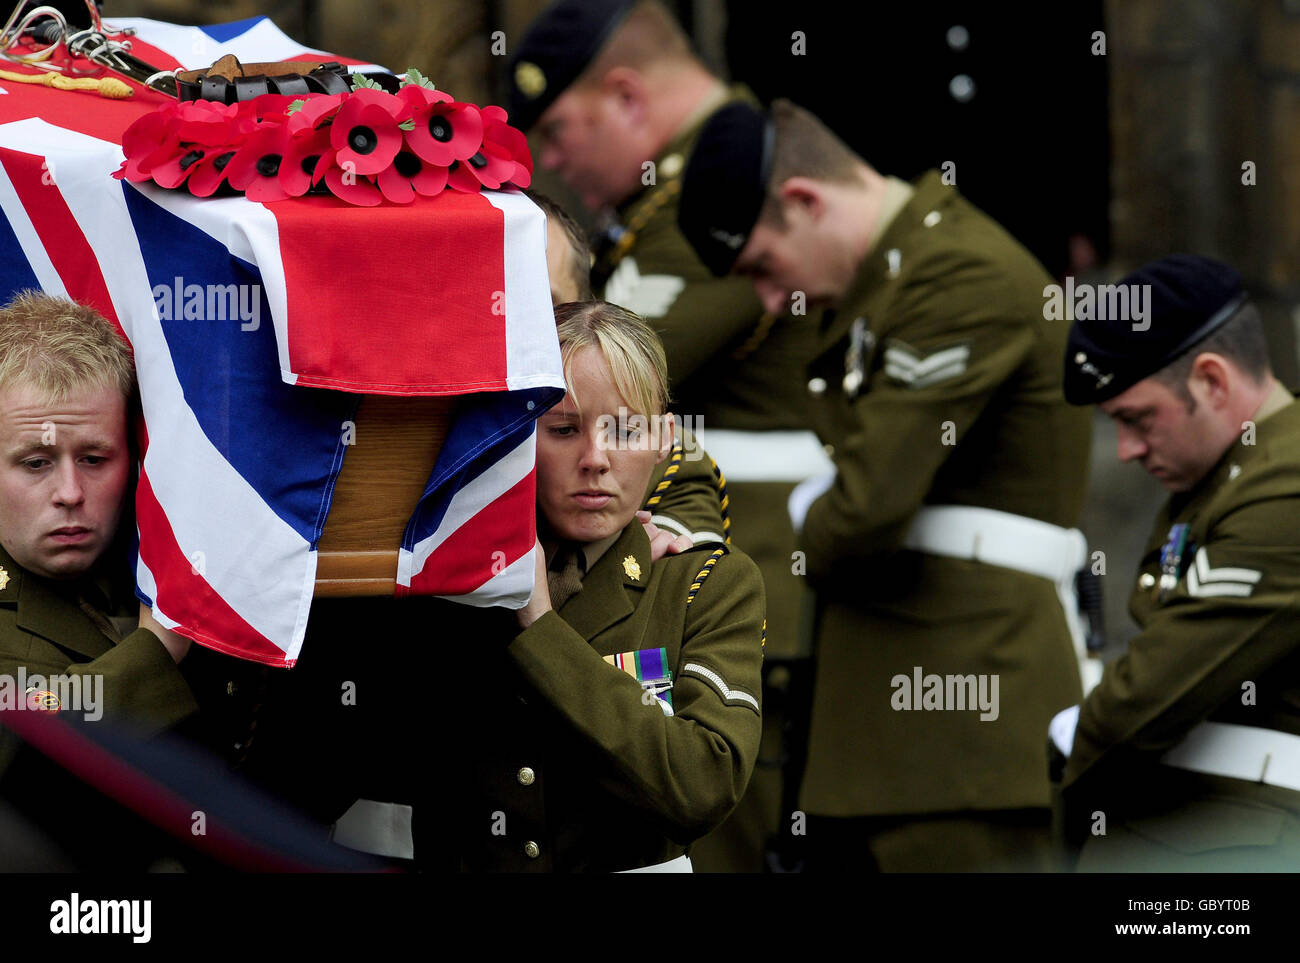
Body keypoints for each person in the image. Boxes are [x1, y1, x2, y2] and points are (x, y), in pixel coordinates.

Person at [677, 99, 1093, 872]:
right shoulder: (902, 275)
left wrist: (810, 515)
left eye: (765, 267)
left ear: (805, 200)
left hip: (963, 730)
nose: (771, 302)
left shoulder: (955, 275)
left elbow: (862, 509)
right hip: (896, 737)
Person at [511, 3, 822, 869]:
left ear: (627, 98)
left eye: (564, 130)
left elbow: (613, 379)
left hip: (688, 585)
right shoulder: (662, 201)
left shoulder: (721, 185)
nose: (558, 159)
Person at [436, 300, 766, 871]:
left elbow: (703, 785)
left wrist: (539, 625)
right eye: (562, 430)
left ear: (666, 438)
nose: (595, 459)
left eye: (626, 430)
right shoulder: (458, 574)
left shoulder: (705, 583)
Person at [1054, 254, 1300, 871]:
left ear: (1212, 381)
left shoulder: (1285, 486)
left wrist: (1074, 742)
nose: (1128, 450)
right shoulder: (1234, 474)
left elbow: (1143, 704)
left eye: (1138, 420)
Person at [0, 291, 197, 868]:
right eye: (35, 463)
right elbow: (29, 733)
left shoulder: (155, 564)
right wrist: (158, 648)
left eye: (95, 458)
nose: (69, 493)